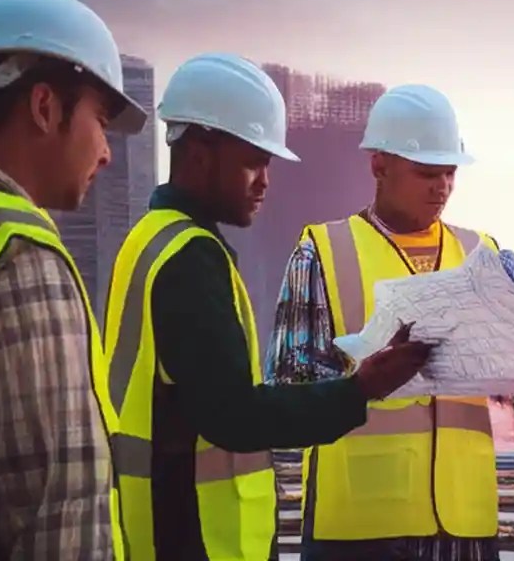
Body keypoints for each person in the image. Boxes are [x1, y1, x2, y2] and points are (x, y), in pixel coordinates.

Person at [103, 53, 432, 561]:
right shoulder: (191, 259)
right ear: (200, 153)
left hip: (156, 527)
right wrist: (360, 389)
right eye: (252, 161)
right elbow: (232, 416)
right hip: (202, 537)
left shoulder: (148, 239)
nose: (265, 181)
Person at [0, 0, 148, 558]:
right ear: (44, 108)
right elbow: (58, 521)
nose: (107, 152)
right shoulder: (18, 255)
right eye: (100, 121)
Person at [268, 84, 503, 561]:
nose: (442, 187)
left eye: (450, 173)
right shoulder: (321, 251)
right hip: (361, 524)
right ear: (379, 165)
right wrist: (366, 376)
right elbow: (287, 391)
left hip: (466, 520)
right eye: (426, 173)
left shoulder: (483, 254)